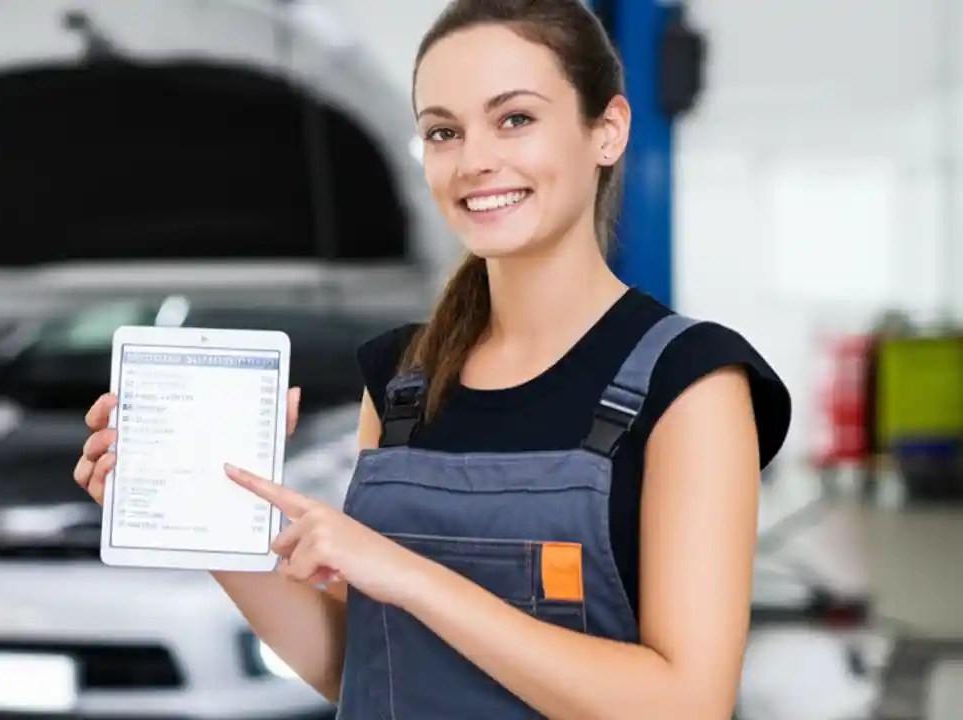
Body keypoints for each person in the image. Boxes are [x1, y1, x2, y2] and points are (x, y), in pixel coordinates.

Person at [74, 0, 792, 717]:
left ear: (606, 131)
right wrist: (208, 519)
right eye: (444, 131)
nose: (475, 160)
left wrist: (402, 572)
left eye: (515, 118)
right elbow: (356, 664)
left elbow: (686, 704)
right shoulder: (400, 379)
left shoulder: (690, 382)